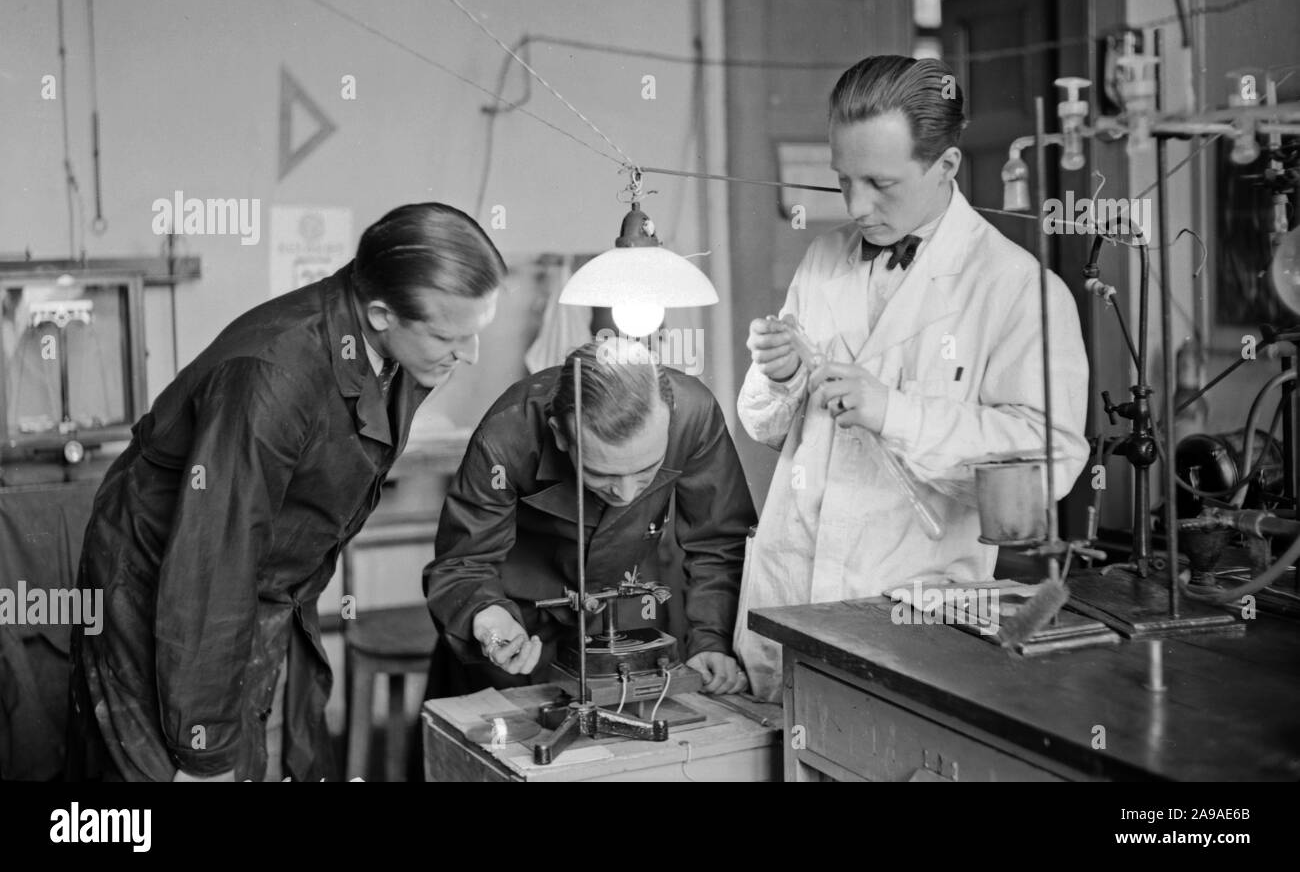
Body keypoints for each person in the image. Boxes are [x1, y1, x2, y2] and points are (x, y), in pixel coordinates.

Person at [66, 202, 505, 781]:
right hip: (166, 594)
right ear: (379, 314)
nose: (469, 354)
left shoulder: (393, 347)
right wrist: (204, 751)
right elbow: (211, 562)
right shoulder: (273, 377)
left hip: (265, 590)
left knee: (275, 755)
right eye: (451, 336)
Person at [734, 55, 1091, 701]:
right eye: (843, 179)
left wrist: (895, 412)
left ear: (947, 166)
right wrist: (777, 377)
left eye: (880, 182)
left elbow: (1050, 464)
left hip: (911, 618)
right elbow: (763, 428)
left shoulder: (1019, 291)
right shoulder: (822, 259)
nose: (857, 205)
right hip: (790, 599)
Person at [424, 337, 754, 697]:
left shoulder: (695, 414)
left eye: (647, 473)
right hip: (517, 629)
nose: (627, 495)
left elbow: (720, 541)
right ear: (560, 436)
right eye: (603, 475)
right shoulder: (508, 434)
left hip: (625, 619)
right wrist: (486, 615)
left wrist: (711, 639)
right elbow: (463, 563)